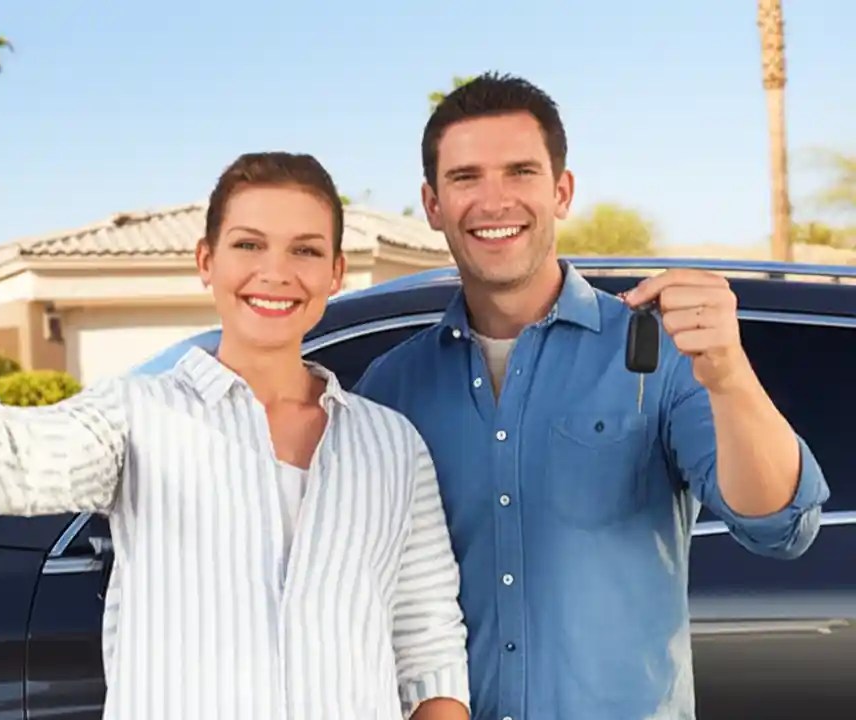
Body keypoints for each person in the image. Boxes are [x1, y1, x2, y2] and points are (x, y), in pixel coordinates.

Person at [0, 151, 472, 720]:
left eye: (305, 251)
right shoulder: (137, 414)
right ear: (208, 261)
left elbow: (429, 644)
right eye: (249, 244)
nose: (275, 272)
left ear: (336, 272)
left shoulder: (392, 444)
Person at [353, 72, 831, 720]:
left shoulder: (658, 352)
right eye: (466, 177)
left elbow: (780, 524)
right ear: (432, 203)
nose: (494, 201)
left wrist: (727, 372)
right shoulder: (388, 389)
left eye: (520, 171)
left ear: (561, 191)